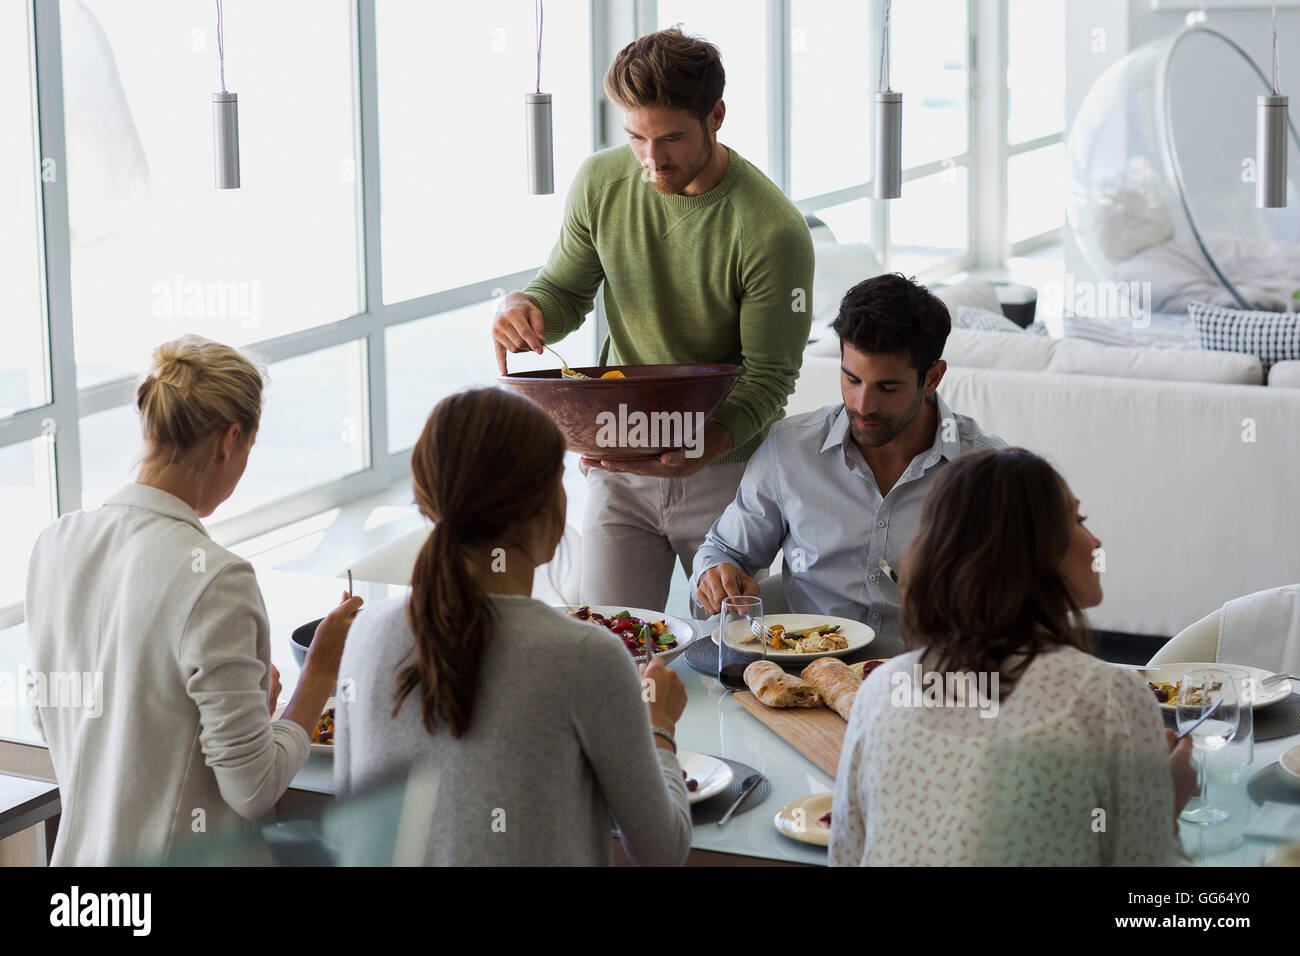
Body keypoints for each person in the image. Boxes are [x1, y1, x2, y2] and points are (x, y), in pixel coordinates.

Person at [492, 28, 815, 615]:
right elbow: (565, 290)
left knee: (731, 656)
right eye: (636, 137)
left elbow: (769, 378)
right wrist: (526, 309)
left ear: (715, 116)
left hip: (727, 471)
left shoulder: (772, 230)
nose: (651, 159)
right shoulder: (600, 181)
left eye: (670, 138)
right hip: (619, 464)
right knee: (615, 646)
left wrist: (702, 447)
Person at [25, 335, 362, 866]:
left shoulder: (56, 543)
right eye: (248, 450)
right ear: (229, 442)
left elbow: (57, 719)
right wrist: (318, 674)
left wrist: (241, 714)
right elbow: (252, 790)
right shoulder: (218, 579)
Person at [334, 387, 692, 866]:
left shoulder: (365, 634)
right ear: (548, 506)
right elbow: (662, 851)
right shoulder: (587, 655)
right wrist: (660, 727)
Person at [829, 448, 1197, 866]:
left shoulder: (878, 692)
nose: (1096, 542)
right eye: (1078, 521)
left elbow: (846, 855)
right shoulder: (1112, 696)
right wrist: (1168, 799)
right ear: (1030, 550)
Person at [692, 273, 1004, 655]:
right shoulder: (789, 449)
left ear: (932, 379)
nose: (862, 405)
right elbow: (724, 551)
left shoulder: (988, 473)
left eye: (887, 388)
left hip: (929, 683)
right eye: (851, 378)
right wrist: (714, 574)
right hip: (807, 676)